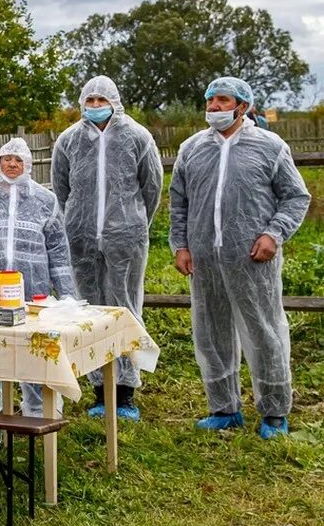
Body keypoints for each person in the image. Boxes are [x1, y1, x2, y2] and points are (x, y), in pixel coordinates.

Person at [169, 76, 311, 439]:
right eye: (209, 100)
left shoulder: (269, 146)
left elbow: (296, 197)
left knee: (264, 331)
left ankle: (275, 413)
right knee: (211, 332)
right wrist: (180, 245)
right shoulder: (191, 149)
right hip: (204, 260)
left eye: (221, 99)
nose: (213, 106)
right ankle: (223, 407)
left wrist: (273, 233)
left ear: (242, 106)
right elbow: (179, 202)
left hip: (252, 259)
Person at [51, 76, 164, 421]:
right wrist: (76, 224)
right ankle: (101, 391)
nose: (96, 106)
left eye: (102, 100)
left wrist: (132, 224)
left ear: (115, 101)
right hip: (81, 239)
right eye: (91, 99)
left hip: (125, 239)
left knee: (126, 310)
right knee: (90, 314)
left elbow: (152, 187)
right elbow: (61, 188)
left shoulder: (137, 136)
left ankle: (126, 393)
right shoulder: (68, 140)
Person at [0, 138, 77, 417]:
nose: (11, 164)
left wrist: (66, 291)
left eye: (18, 159)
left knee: (34, 350)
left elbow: (58, 249)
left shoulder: (45, 200)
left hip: (34, 291)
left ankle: (40, 410)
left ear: (28, 164)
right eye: (6, 158)